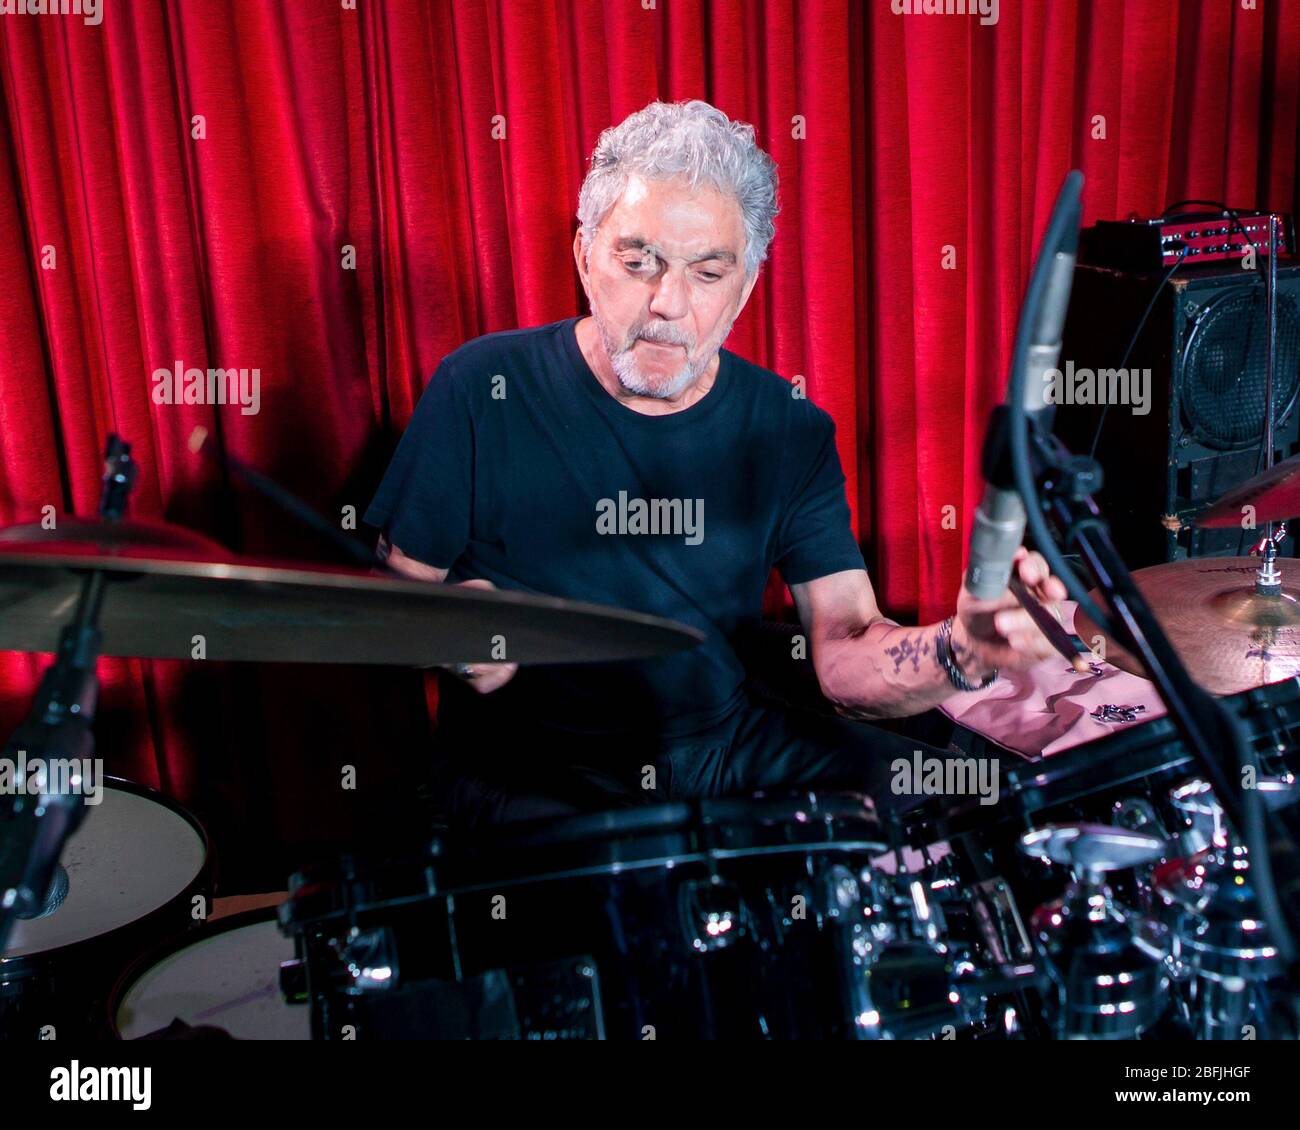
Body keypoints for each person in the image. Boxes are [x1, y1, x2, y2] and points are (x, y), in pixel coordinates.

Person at [365, 100, 1067, 827]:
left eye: (707, 272)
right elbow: (385, 607)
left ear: (747, 285)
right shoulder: (481, 387)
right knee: (617, 902)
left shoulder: (789, 428)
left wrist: (963, 649)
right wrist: (452, 628)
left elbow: (845, 651)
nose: (668, 304)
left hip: (722, 746)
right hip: (526, 767)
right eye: (637, 262)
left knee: (953, 802)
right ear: (583, 256)